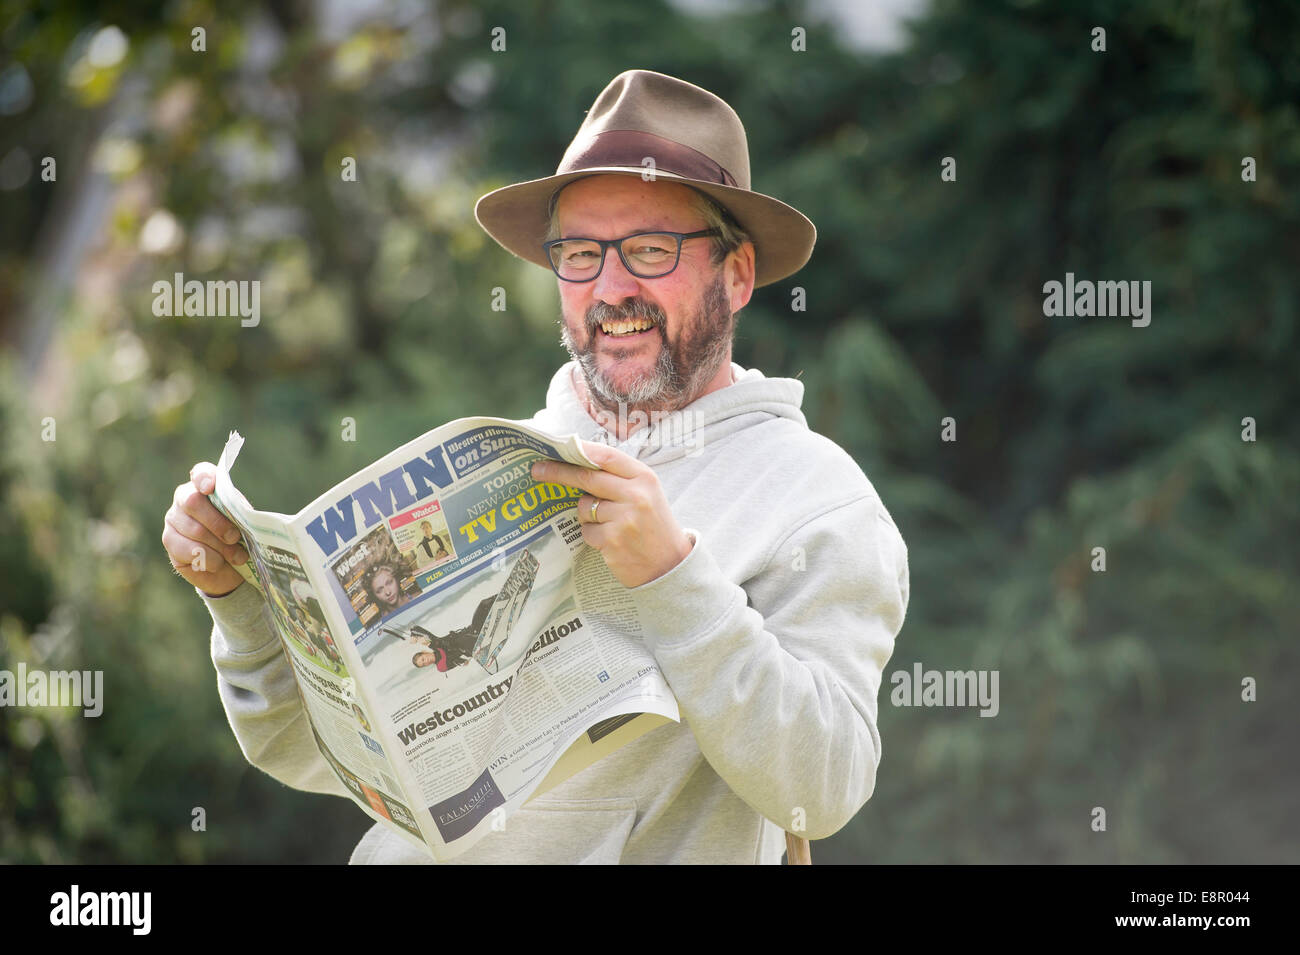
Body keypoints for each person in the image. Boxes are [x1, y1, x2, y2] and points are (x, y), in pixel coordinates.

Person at [162, 69, 909, 864]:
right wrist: (237, 603)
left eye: (650, 249)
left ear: (738, 274)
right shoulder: (490, 470)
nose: (611, 287)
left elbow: (822, 790)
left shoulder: (816, 498)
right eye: (581, 253)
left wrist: (673, 578)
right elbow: (302, 753)